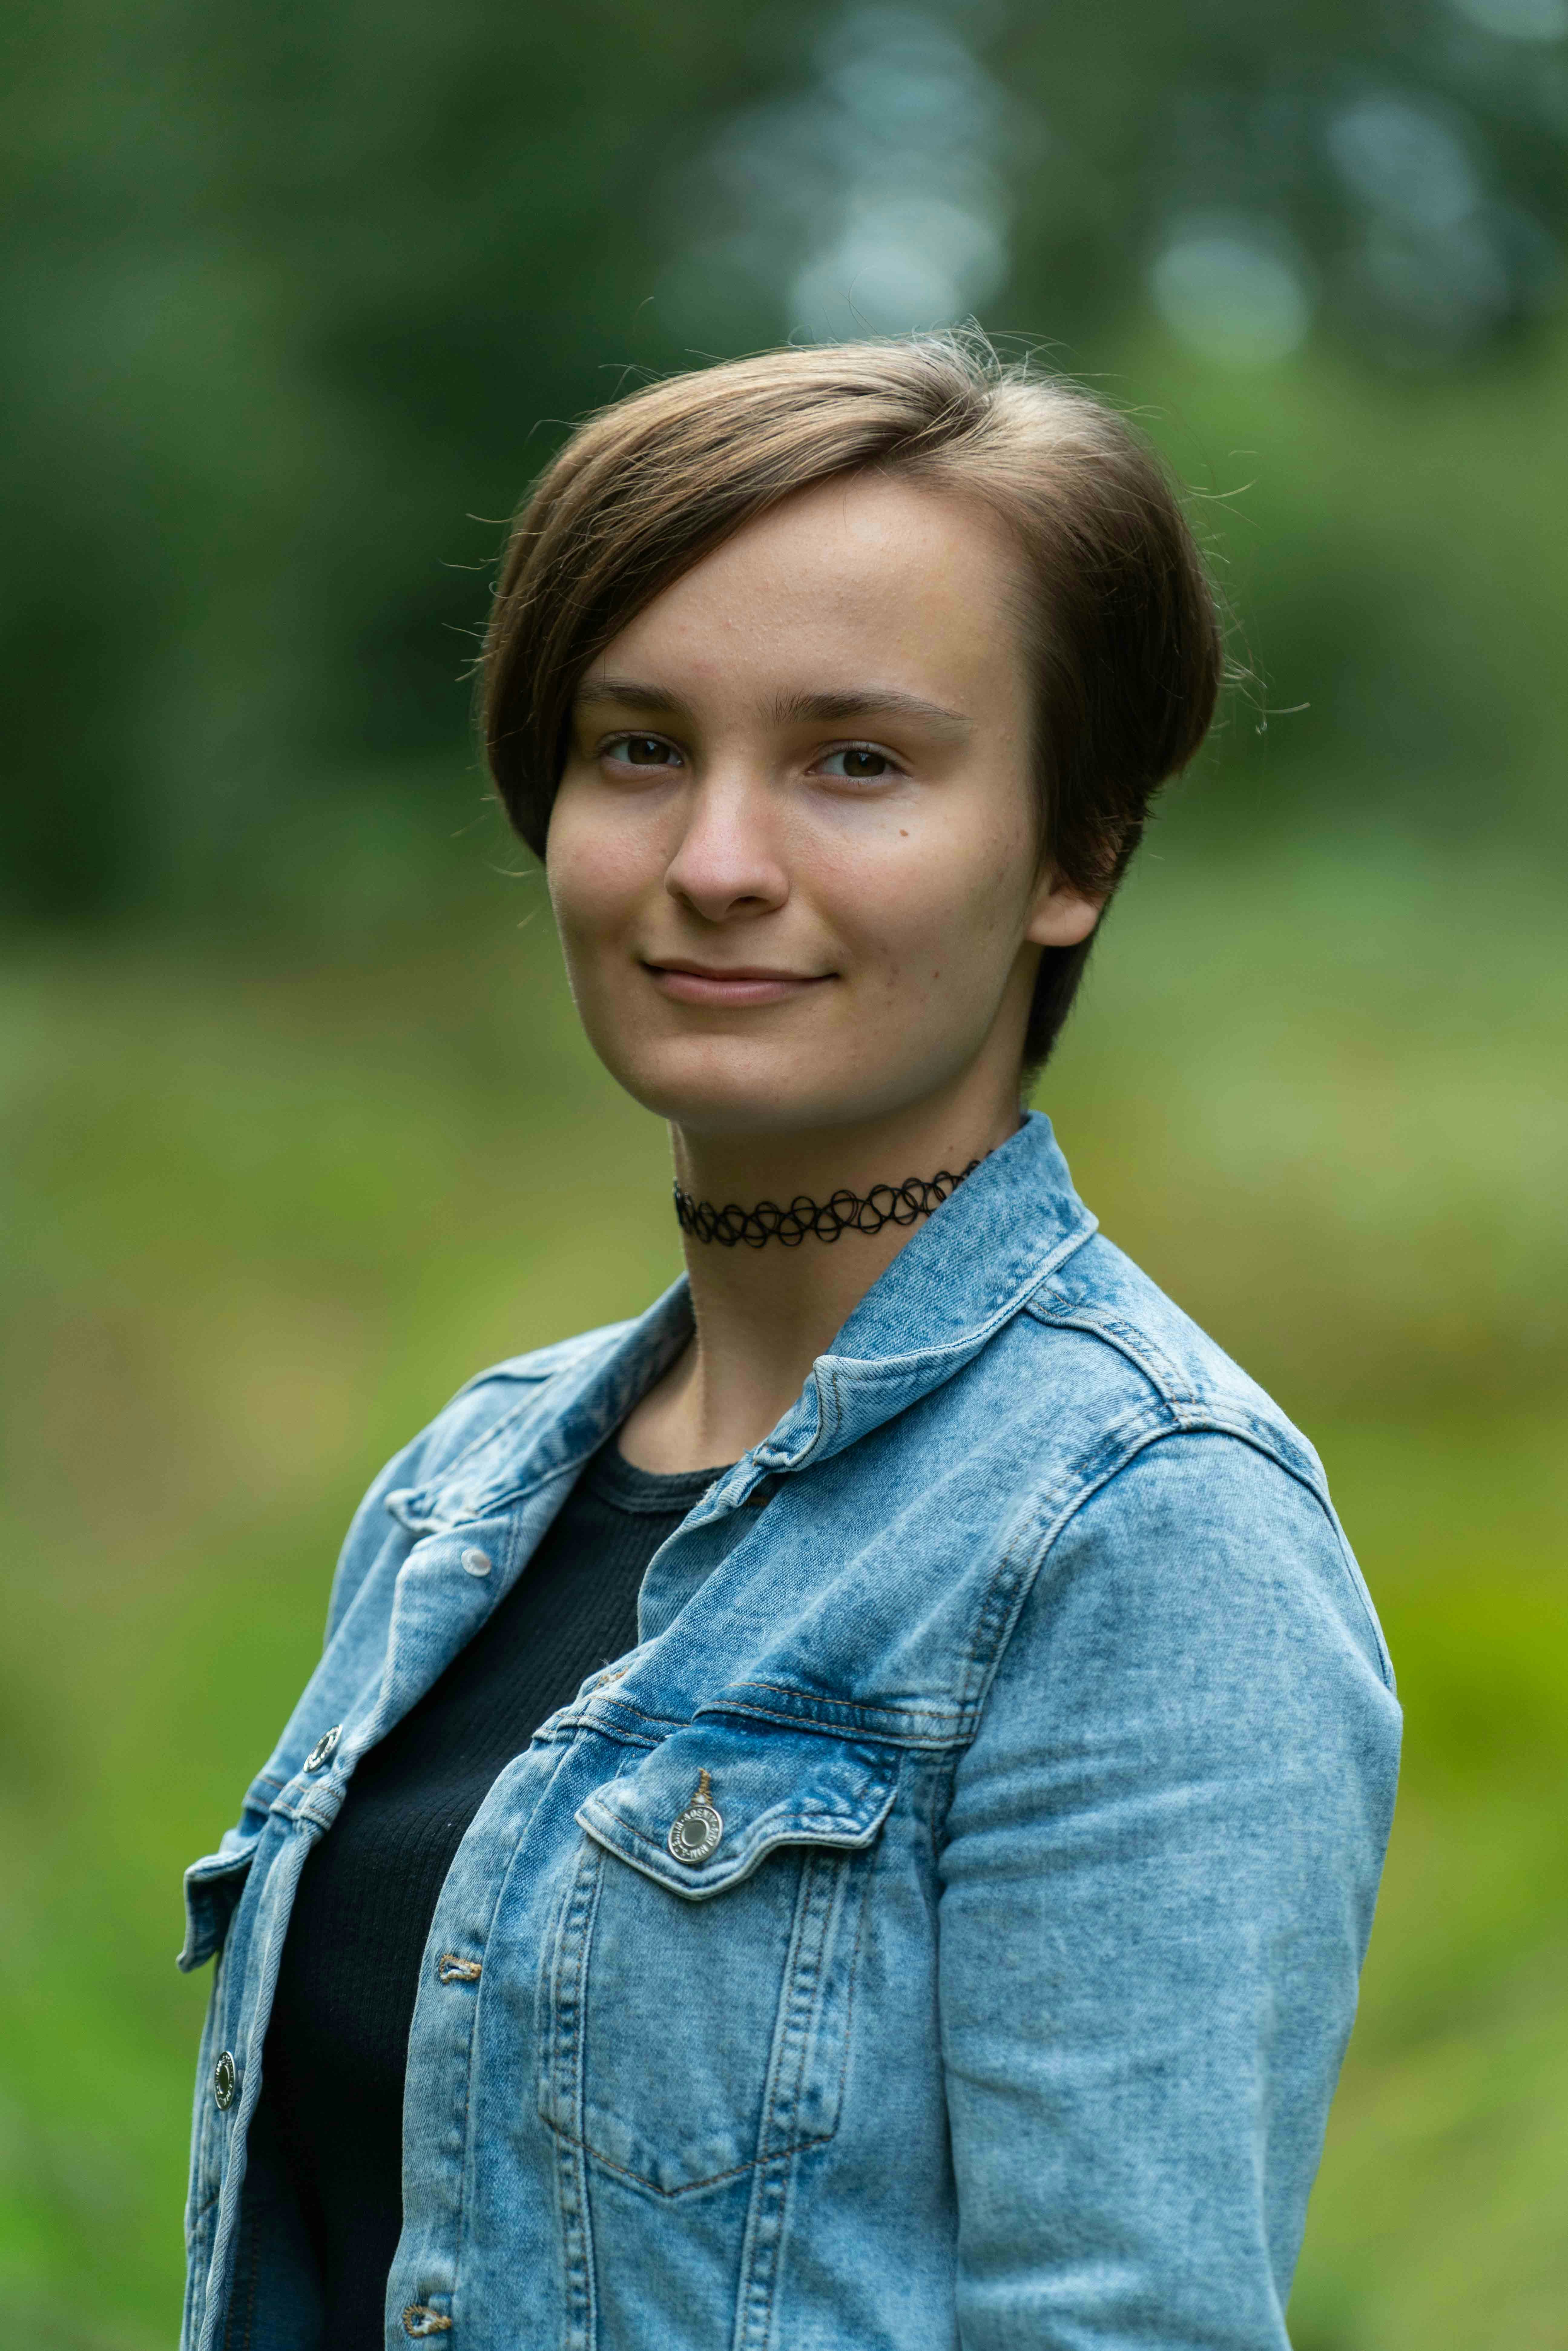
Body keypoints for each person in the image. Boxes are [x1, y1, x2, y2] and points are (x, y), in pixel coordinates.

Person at [177, 335, 1400, 2351]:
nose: (716, 863)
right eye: (638, 747)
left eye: (859, 761)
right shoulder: (464, 1487)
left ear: (1075, 854)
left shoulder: (1150, 1526)